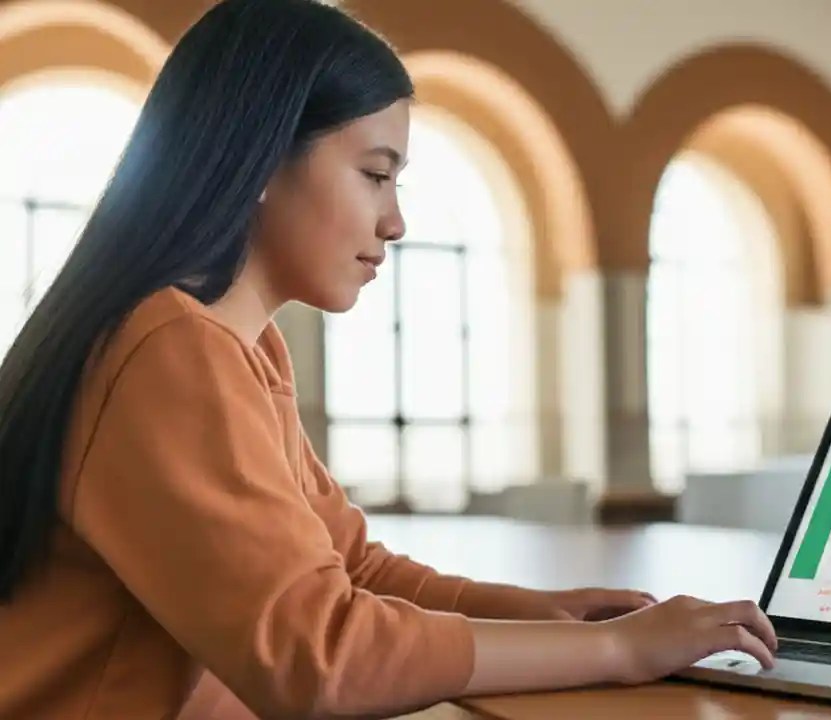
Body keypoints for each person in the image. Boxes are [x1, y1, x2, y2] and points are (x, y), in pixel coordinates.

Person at [0, 0, 776, 717]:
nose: (396, 221)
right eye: (376, 175)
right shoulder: (170, 351)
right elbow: (319, 656)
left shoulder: (238, 349)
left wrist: (543, 613)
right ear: (265, 160)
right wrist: (615, 649)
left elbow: (353, 569)